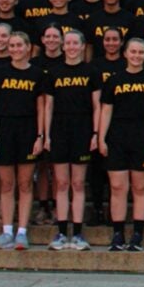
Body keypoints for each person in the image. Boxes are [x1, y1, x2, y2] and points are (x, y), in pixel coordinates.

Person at [0, 30, 46, 251]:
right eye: (11, 46)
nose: (15, 49)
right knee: (7, 184)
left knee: (24, 183)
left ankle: (22, 231)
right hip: (4, 130)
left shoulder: (37, 74)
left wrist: (40, 136)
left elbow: (41, 107)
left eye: (19, 45)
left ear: (28, 48)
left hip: (28, 131)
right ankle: (6, 231)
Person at [98, 37, 144, 251]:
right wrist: (101, 137)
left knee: (140, 187)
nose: (136, 56)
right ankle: (118, 233)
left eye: (140, 52)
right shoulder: (114, 80)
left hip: (143, 136)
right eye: (133, 52)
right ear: (125, 53)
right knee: (117, 187)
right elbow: (106, 110)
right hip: (117, 137)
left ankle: (138, 234)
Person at [42, 31, 101, 250]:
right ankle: (60, 232)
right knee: (62, 183)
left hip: (82, 131)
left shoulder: (91, 72)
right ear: (63, 46)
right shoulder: (54, 73)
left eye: (76, 42)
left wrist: (95, 133)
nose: (72, 46)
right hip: (59, 131)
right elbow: (48, 106)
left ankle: (77, 233)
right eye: (68, 43)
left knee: (77, 183)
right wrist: (46, 135)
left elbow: (97, 106)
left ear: (83, 46)